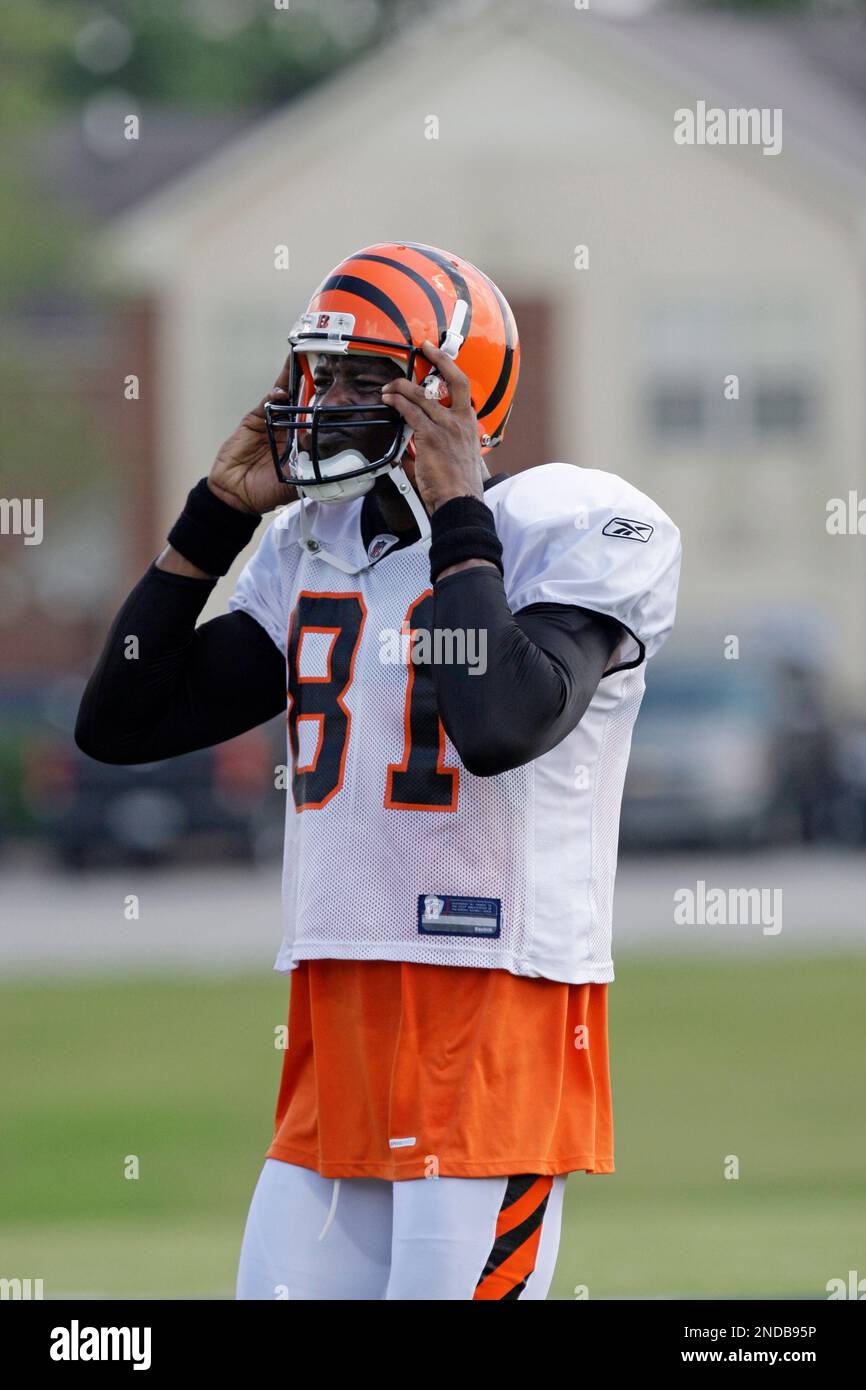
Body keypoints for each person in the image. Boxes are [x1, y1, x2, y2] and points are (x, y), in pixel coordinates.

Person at [75, 241, 681, 1300]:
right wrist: (212, 519)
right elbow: (124, 718)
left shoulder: (566, 524)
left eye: (368, 377)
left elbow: (498, 721)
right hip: (338, 1004)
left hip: (495, 1005)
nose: (330, 401)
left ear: (454, 383)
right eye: (325, 372)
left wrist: (458, 513)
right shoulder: (319, 540)